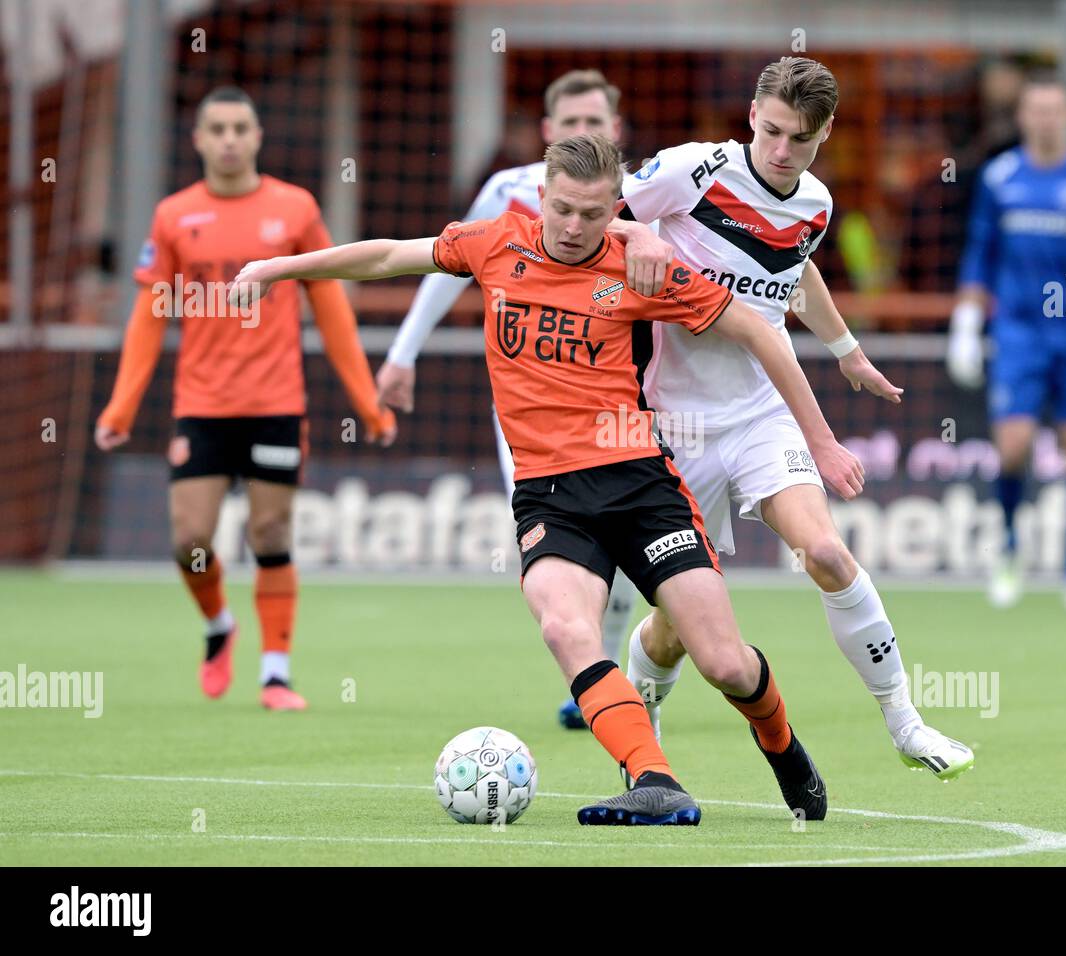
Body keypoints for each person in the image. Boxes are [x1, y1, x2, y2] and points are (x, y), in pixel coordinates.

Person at [228, 133, 866, 825]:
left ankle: (783, 747)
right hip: (550, 495)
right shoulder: (495, 242)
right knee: (566, 628)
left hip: (642, 487)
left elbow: (758, 329)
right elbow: (388, 254)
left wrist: (820, 437)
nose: (573, 227)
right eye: (562, 209)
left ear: (614, 209)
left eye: (593, 214)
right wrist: (277, 266)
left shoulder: (641, 266)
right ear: (541, 197)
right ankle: (654, 778)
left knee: (725, 665)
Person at [615, 57, 974, 782]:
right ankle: (645, 716)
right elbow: (592, 218)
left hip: (759, 416)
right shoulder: (690, 171)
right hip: (677, 426)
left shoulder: (815, 202)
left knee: (830, 555)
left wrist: (846, 351)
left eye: (800, 140)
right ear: (752, 114)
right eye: (772, 131)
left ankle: (905, 722)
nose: (781, 151)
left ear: (825, 134)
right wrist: (641, 236)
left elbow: (795, 267)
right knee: (677, 629)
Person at [95, 87, 397, 711]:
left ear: (257, 136)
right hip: (202, 405)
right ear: (200, 139)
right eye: (218, 129)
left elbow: (332, 307)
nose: (230, 139)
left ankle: (276, 674)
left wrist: (367, 401)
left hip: (275, 402)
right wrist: (121, 407)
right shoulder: (174, 216)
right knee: (191, 541)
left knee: (268, 532)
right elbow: (150, 317)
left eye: (240, 127)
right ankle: (217, 627)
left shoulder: (294, 209)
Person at [376, 69, 639, 731]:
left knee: (630, 535)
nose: (584, 134)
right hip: (531, 404)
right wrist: (404, 352)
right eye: (571, 124)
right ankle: (591, 675)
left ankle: (618, 661)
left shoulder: (645, 193)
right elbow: (448, 265)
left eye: (596, 124)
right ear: (549, 133)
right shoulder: (510, 192)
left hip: (628, 397)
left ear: (617, 130)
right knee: (554, 533)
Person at [945, 73, 1066, 614]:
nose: (1046, 119)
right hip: (1019, 333)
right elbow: (979, 256)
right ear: (1023, 116)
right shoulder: (1001, 178)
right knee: (1013, 447)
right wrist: (965, 325)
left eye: (1056, 110)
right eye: (1037, 110)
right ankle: (1009, 550)